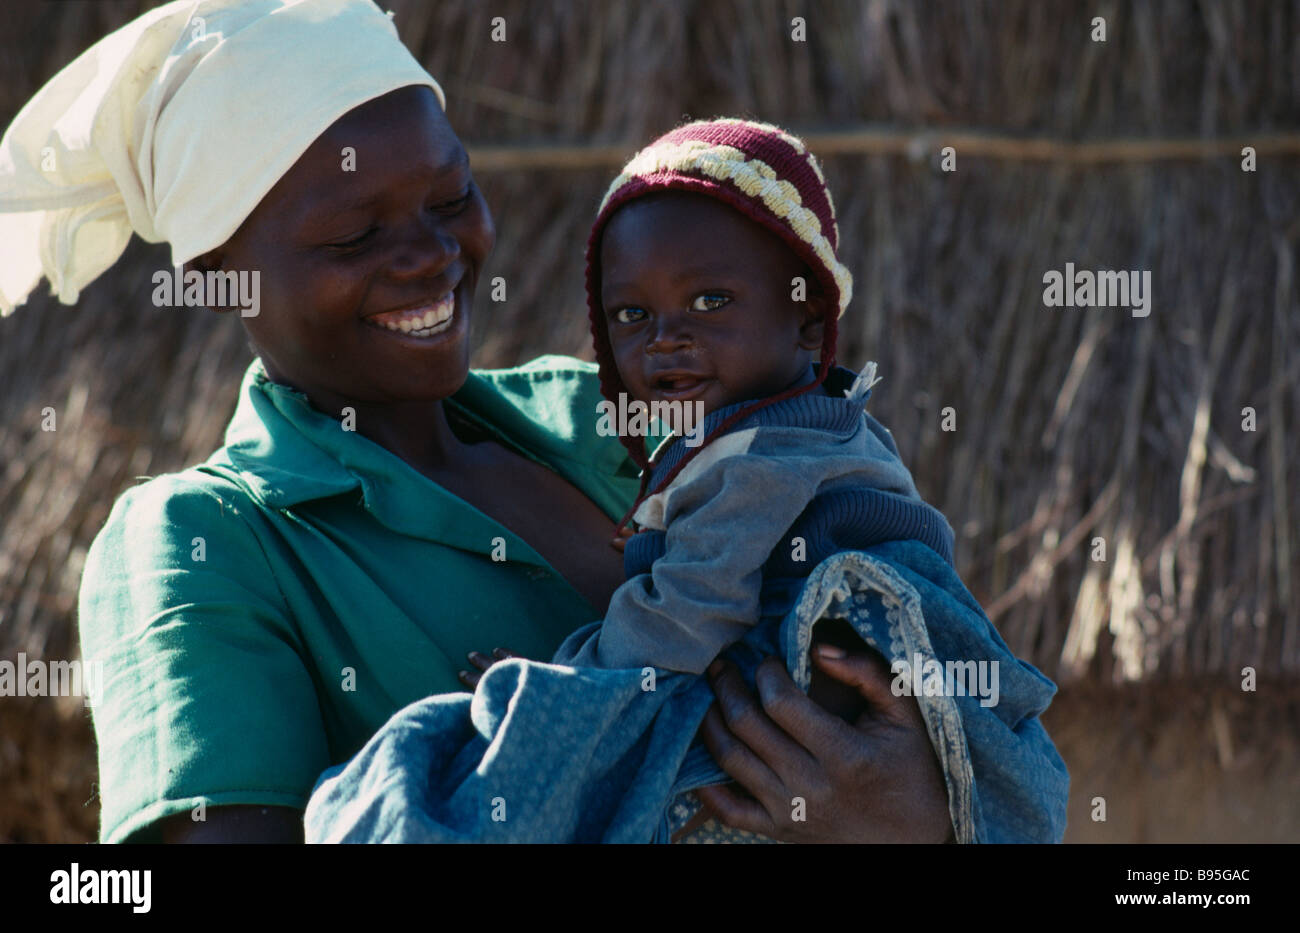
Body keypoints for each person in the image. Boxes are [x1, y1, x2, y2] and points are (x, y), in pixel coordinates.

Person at [1, 0, 958, 843]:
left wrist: (917, 813)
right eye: (353, 234)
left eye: (451, 196)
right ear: (216, 273)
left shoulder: (611, 416)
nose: (431, 254)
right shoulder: (202, 544)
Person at [302, 119, 1069, 844]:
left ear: (807, 323)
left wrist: (560, 687)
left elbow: (684, 618)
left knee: (513, 749)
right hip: (789, 724)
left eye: (710, 302)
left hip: (796, 700)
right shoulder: (801, 426)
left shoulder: (763, 458)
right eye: (632, 314)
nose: (667, 338)